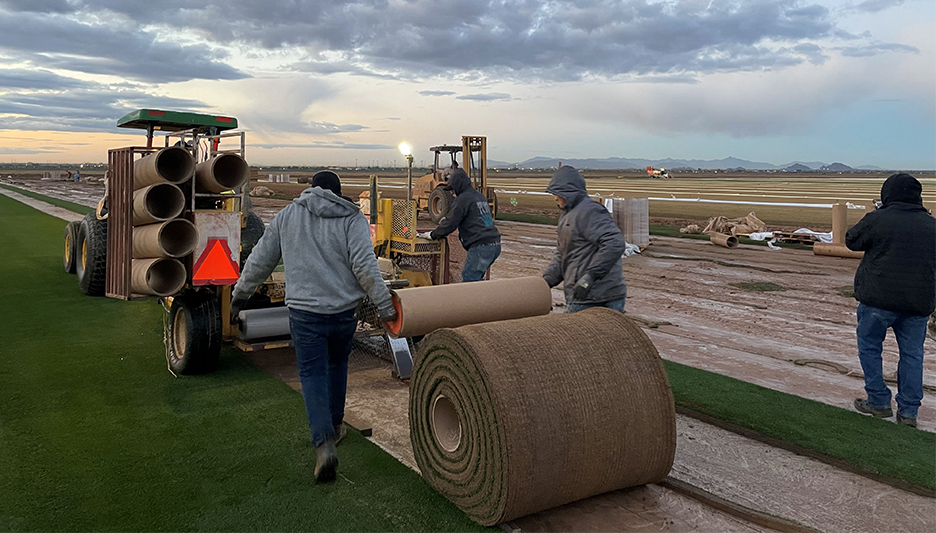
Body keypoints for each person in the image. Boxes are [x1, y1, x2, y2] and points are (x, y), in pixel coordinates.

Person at [230, 170, 396, 481]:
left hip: (305, 314)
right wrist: (386, 307)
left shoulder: (288, 216)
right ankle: (335, 425)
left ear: (310, 189)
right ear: (338, 192)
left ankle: (324, 444)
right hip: (344, 313)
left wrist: (239, 296)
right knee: (336, 366)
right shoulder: (351, 218)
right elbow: (365, 265)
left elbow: (260, 260)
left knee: (312, 373)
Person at [846, 173, 935, 428]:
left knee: (870, 348)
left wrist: (876, 214)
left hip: (877, 300)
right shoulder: (932, 225)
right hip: (917, 304)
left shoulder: (878, 218)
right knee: (912, 356)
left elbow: (852, 240)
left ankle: (878, 401)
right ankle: (908, 412)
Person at [542, 165, 627, 313]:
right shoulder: (567, 216)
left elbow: (615, 243)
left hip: (598, 296)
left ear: (568, 193)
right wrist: (546, 281)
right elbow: (563, 254)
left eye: (557, 193)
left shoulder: (590, 211)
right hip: (581, 294)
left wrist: (590, 276)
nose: (555, 198)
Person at [417, 168, 500, 282]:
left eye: (452, 189)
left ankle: (474, 300)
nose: (452, 192)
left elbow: (451, 224)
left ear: (458, 185)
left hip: (481, 246)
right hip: (494, 244)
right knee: (476, 277)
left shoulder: (462, 199)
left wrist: (433, 234)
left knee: (470, 278)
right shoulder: (479, 196)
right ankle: (483, 297)